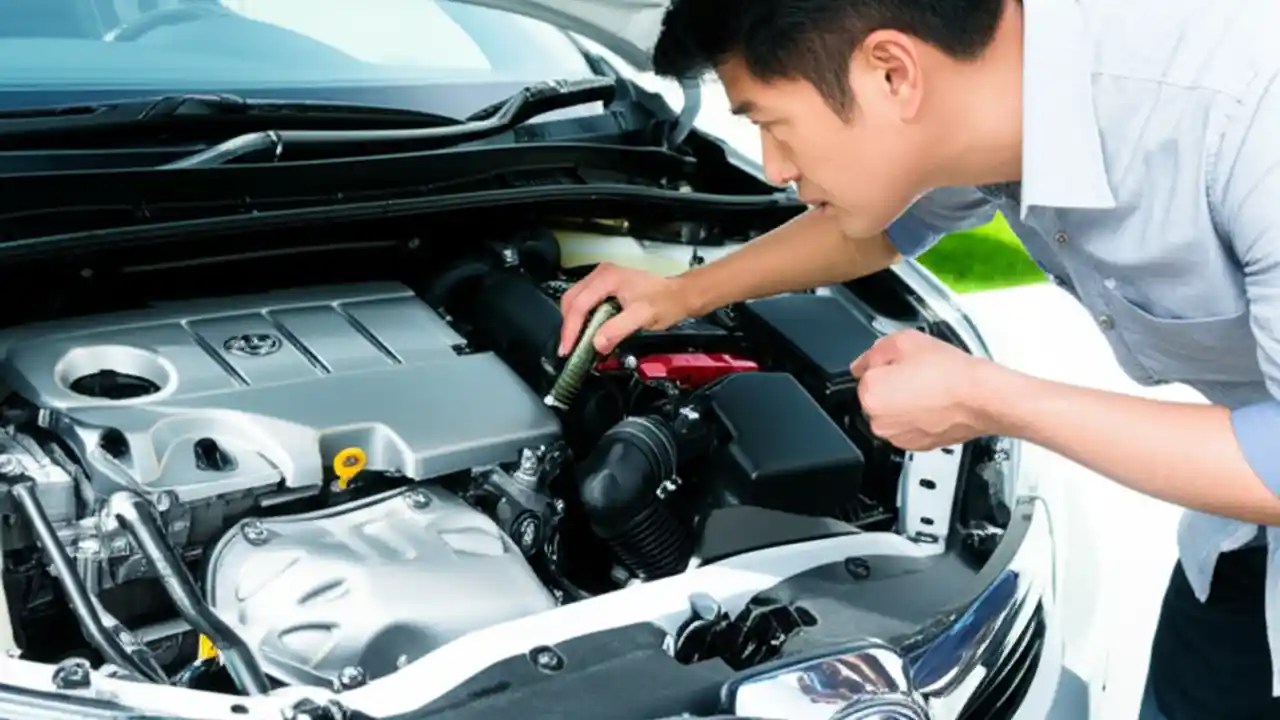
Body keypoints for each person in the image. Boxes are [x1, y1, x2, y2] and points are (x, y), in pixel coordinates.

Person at [555, 0, 1280, 717]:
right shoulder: (1001, 89)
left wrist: (991, 401)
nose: (772, 166)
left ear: (892, 74)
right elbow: (881, 225)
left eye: (771, 124)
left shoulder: (1247, 112)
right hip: (1234, 550)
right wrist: (683, 294)